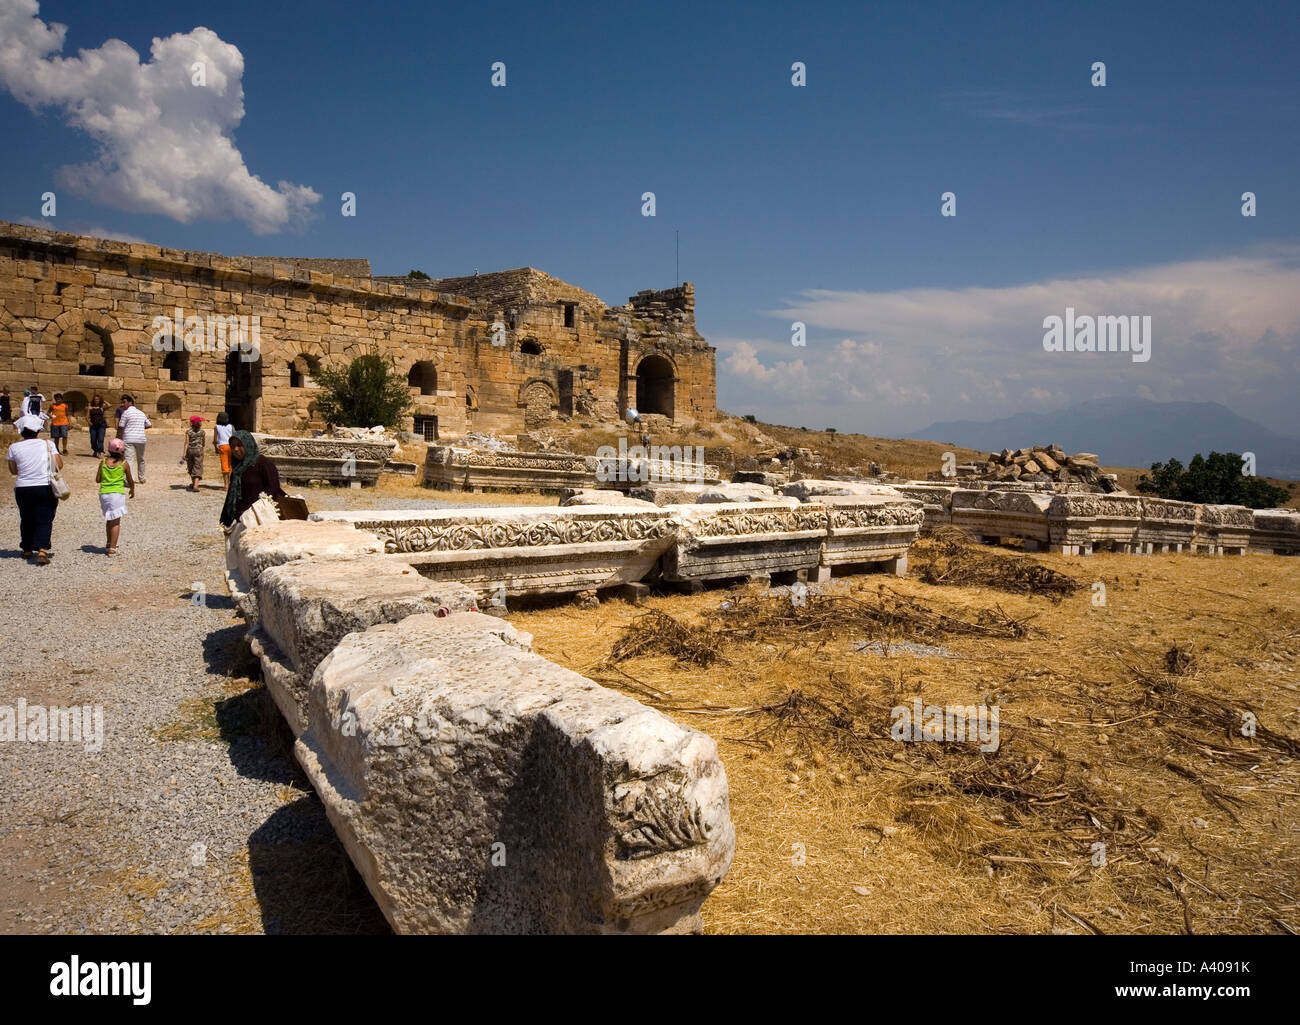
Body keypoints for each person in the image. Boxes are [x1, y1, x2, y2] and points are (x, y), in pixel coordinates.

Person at [6, 414, 62, 564]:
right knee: (45, 517)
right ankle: (42, 550)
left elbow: (13, 470)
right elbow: (59, 465)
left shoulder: (14, 447)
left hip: (23, 487)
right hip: (44, 485)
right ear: (37, 430)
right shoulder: (48, 444)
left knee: (26, 518)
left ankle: (27, 549)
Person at [219, 431, 285, 527]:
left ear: (248, 444)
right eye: (232, 446)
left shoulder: (263, 464)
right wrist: (225, 521)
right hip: (242, 520)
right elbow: (231, 496)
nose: (236, 449)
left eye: (239, 445)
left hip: (261, 520)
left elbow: (273, 489)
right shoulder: (237, 469)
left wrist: (257, 510)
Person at [96, 438, 135, 555]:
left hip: (104, 494)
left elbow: (97, 479)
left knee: (109, 518)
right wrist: (132, 489)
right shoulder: (124, 464)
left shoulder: (103, 462)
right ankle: (112, 548)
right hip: (117, 494)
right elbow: (130, 480)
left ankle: (109, 542)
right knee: (116, 521)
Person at [116, 394, 151, 484]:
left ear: (130, 402)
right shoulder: (141, 413)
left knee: (129, 459)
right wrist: (139, 427)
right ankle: (142, 478)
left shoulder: (126, 413)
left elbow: (120, 427)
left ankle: (129, 480)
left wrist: (118, 438)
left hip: (129, 439)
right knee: (141, 459)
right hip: (141, 439)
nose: (122, 404)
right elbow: (149, 425)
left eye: (124, 402)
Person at [183, 415, 205, 491]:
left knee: (191, 466)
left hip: (190, 450)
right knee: (197, 466)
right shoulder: (202, 432)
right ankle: (196, 485)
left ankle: (193, 483)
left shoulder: (188, 432)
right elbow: (203, 443)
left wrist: (184, 454)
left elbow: (186, 443)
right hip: (199, 450)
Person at [212, 411, 233, 488]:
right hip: (231, 446)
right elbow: (234, 435)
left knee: (224, 466)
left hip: (222, 447)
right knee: (230, 465)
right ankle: (230, 483)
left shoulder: (216, 427)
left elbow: (215, 440)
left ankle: (226, 485)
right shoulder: (231, 426)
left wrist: (216, 449)